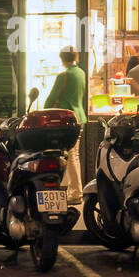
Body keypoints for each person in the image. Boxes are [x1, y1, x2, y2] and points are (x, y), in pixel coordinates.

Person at [43, 46, 87, 206]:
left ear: (62, 58)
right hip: (79, 117)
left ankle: (76, 192)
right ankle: (73, 189)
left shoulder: (64, 75)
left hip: (67, 120)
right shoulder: (81, 73)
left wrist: (44, 109)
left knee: (71, 155)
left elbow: (52, 96)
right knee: (73, 155)